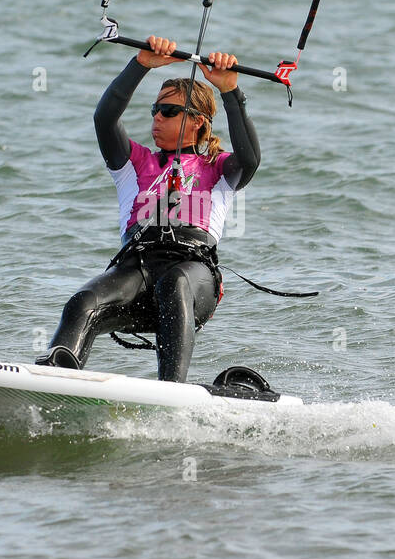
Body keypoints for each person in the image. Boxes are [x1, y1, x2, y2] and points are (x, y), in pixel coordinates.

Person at [35, 35, 261, 382]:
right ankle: (56, 380)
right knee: (83, 301)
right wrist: (141, 63)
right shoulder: (133, 164)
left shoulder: (218, 168)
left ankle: (171, 390)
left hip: (193, 275)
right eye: (154, 110)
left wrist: (231, 91)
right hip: (137, 270)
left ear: (198, 121)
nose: (157, 118)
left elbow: (251, 158)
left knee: (174, 282)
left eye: (168, 112)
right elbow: (105, 119)